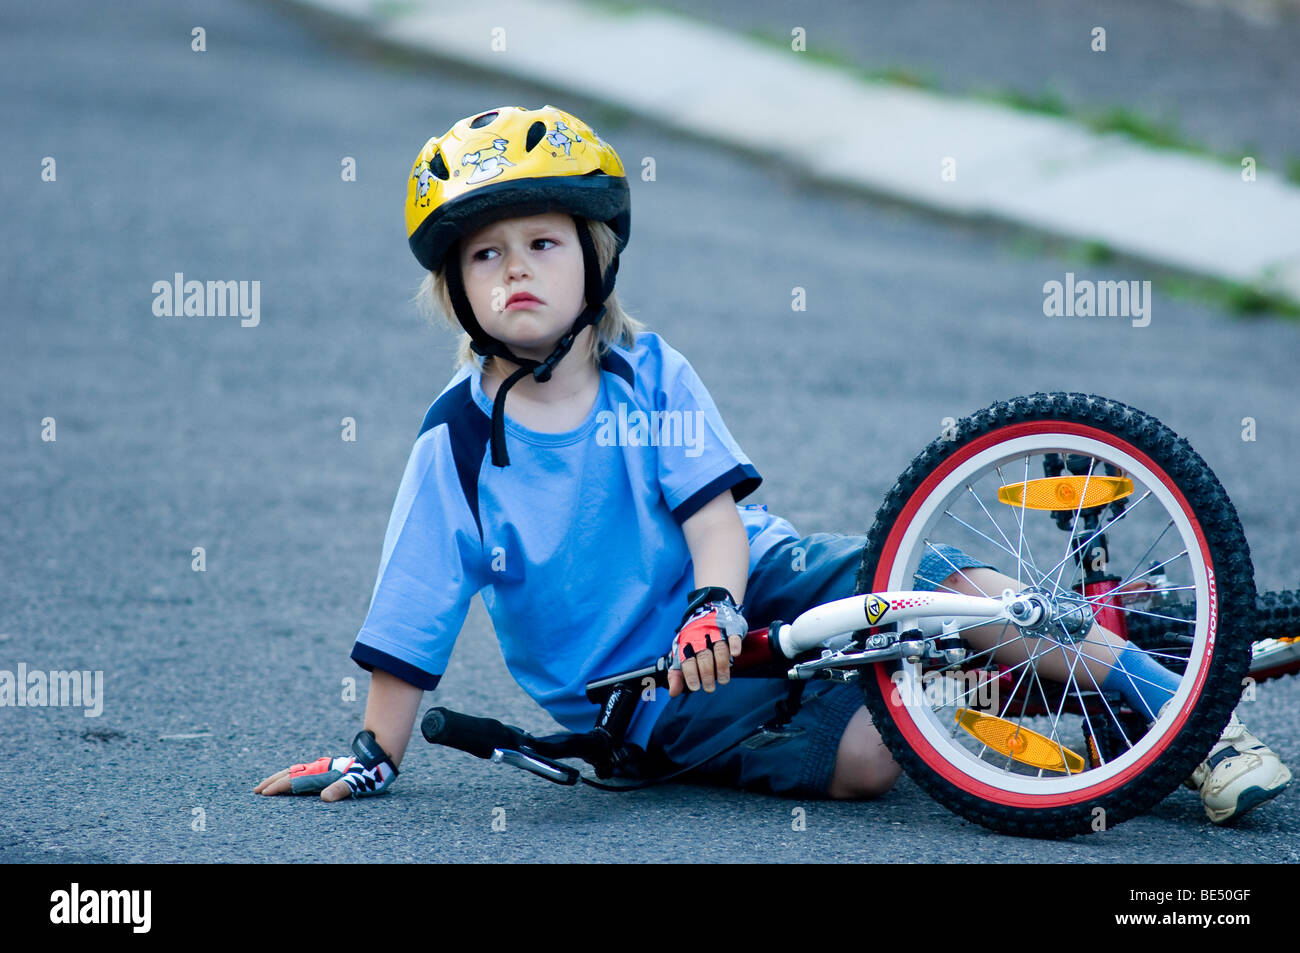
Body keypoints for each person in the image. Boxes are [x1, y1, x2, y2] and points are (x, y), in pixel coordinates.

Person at [255, 105, 1289, 824]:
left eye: (541, 241)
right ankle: (1058, 691)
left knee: (943, 598)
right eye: (485, 254)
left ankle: (1195, 722)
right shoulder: (459, 446)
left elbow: (712, 515)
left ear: (594, 257)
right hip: (645, 689)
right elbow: (413, 613)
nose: (516, 266)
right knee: (864, 763)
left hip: (759, 578)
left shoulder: (645, 373)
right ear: (456, 288)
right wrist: (372, 751)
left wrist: (713, 602)